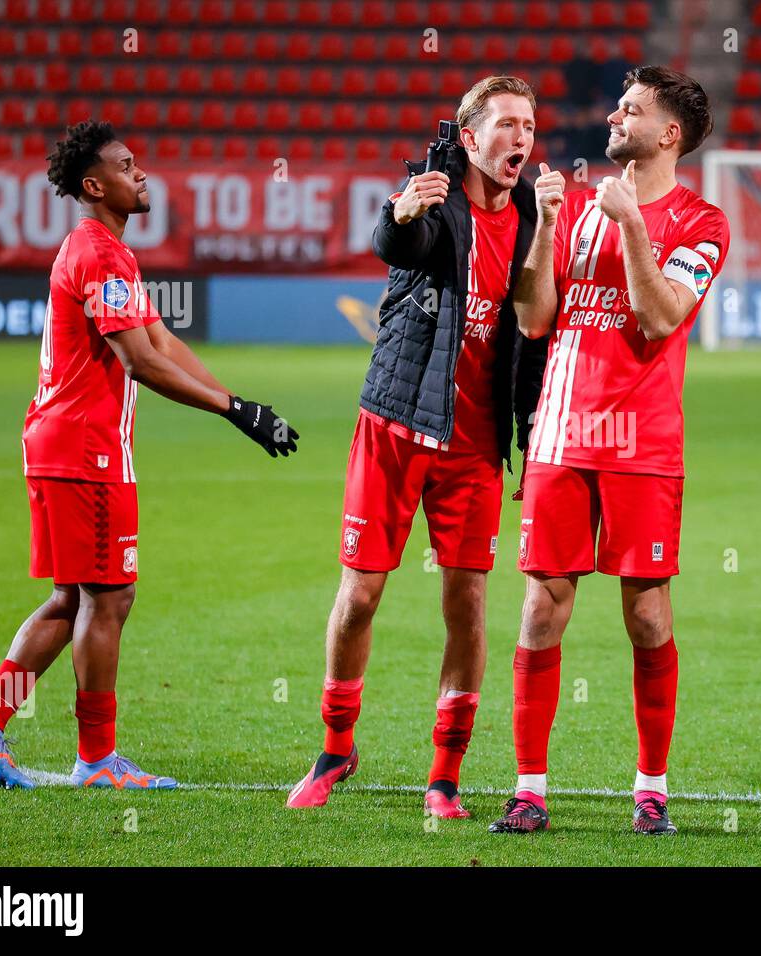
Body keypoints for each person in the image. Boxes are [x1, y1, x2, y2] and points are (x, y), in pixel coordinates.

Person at [0, 120, 299, 790]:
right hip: (87, 452)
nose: (142, 174)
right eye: (127, 165)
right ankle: (97, 760)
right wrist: (229, 411)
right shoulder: (101, 256)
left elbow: (161, 342)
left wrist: (241, 405)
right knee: (109, 598)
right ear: (94, 185)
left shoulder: (103, 252)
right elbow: (140, 363)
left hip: (57, 444)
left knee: (70, 597)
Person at [286, 77, 546, 817]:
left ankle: (445, 773)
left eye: (529, 125)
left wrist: (529, 432)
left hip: (475, 442)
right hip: (399, 422)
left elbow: (535, 327)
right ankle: (336, 747)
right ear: (470, 137)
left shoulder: (532, 212)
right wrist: (398, 211)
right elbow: (401, 241)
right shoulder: (434, 195)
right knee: (360, 595)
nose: (521, 138)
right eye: (506, 124)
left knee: (467, 603)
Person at [488, 66, 729, 836]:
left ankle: (651, 790)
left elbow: (660, 319)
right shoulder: (579, 206)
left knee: (648, 617)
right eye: (618, 106)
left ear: (669, 135)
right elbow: (534, 319)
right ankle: (529, 790)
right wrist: (544, 227)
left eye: (632, 110)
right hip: (561, 433)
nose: (615, 117)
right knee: (540, 609)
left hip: (643, 446)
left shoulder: (702, 222)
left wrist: (630, 226)